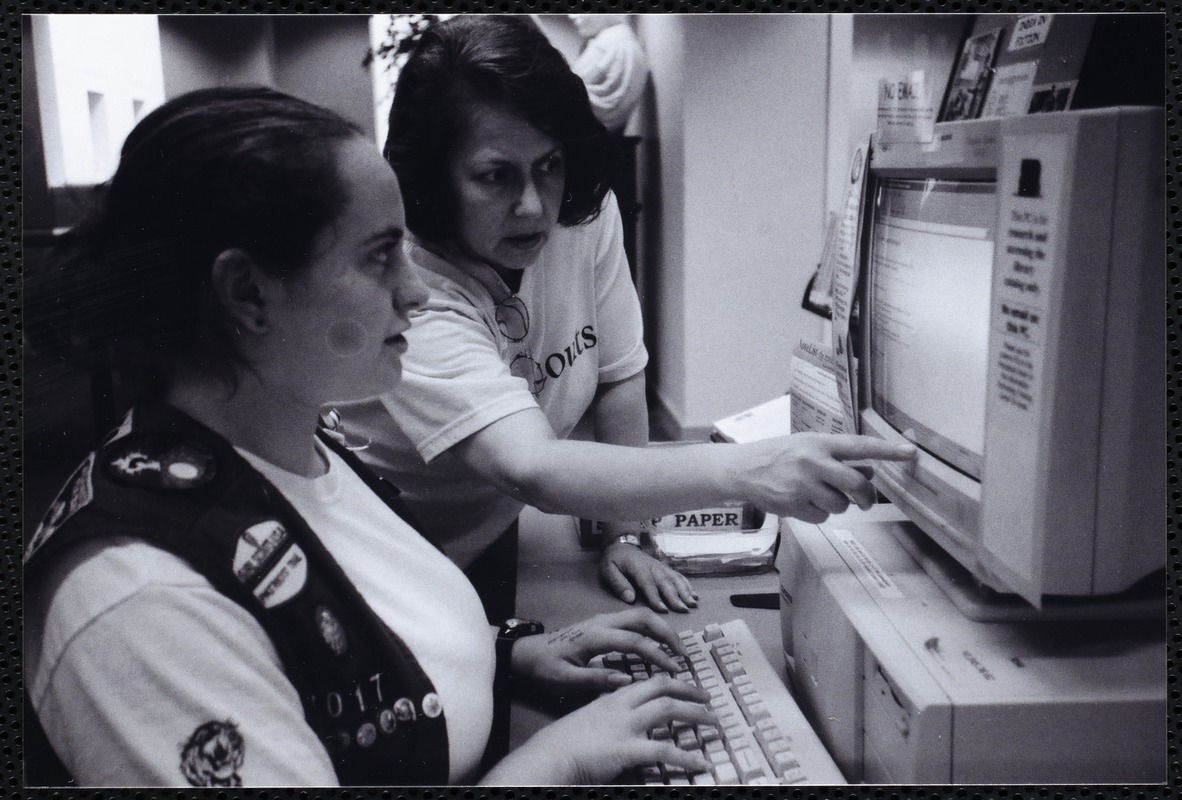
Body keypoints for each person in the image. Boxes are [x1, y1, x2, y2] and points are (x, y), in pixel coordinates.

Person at [23, 86, 718, 787]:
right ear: (248, 293)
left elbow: (355, 647)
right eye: (381, 257)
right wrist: (559, 758)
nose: (417, 291)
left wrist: (503, 659)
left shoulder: (296, 444)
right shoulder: (140, 603)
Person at [332, 15, 915, 618]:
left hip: (493, 532)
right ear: (433, 180)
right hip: (393, 570)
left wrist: (625, 534)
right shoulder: (410, 288)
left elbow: (616, 374)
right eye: (494, 176)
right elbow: (529, 466)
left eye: (549, 164)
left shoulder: (580, 213)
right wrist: (752, 468)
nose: (533, 206)